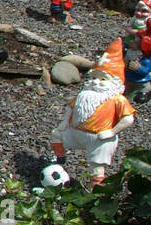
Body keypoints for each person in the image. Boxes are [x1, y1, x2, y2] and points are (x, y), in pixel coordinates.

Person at [51, 39, 136, 181]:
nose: (96, 82)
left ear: (115, 83)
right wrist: (65, 122)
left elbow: (128, 119)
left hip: (99, 138)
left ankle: (96, 191)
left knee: (96, 167)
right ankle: (59, 160)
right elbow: (71, 107)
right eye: (94, 78)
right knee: (56, 135)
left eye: (103, 79)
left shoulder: (117, 99)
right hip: (76, 132)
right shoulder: (84, 94)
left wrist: (112, 132)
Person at [123, 0, 151, 102]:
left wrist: (138, 67)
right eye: (137, 10)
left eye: (144, 11)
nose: (139, 14)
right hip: (128, 76)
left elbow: (145, 70)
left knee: (139, 91)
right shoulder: (131, 49)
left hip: (140, 79)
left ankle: (145, 92)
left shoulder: (144, 57)